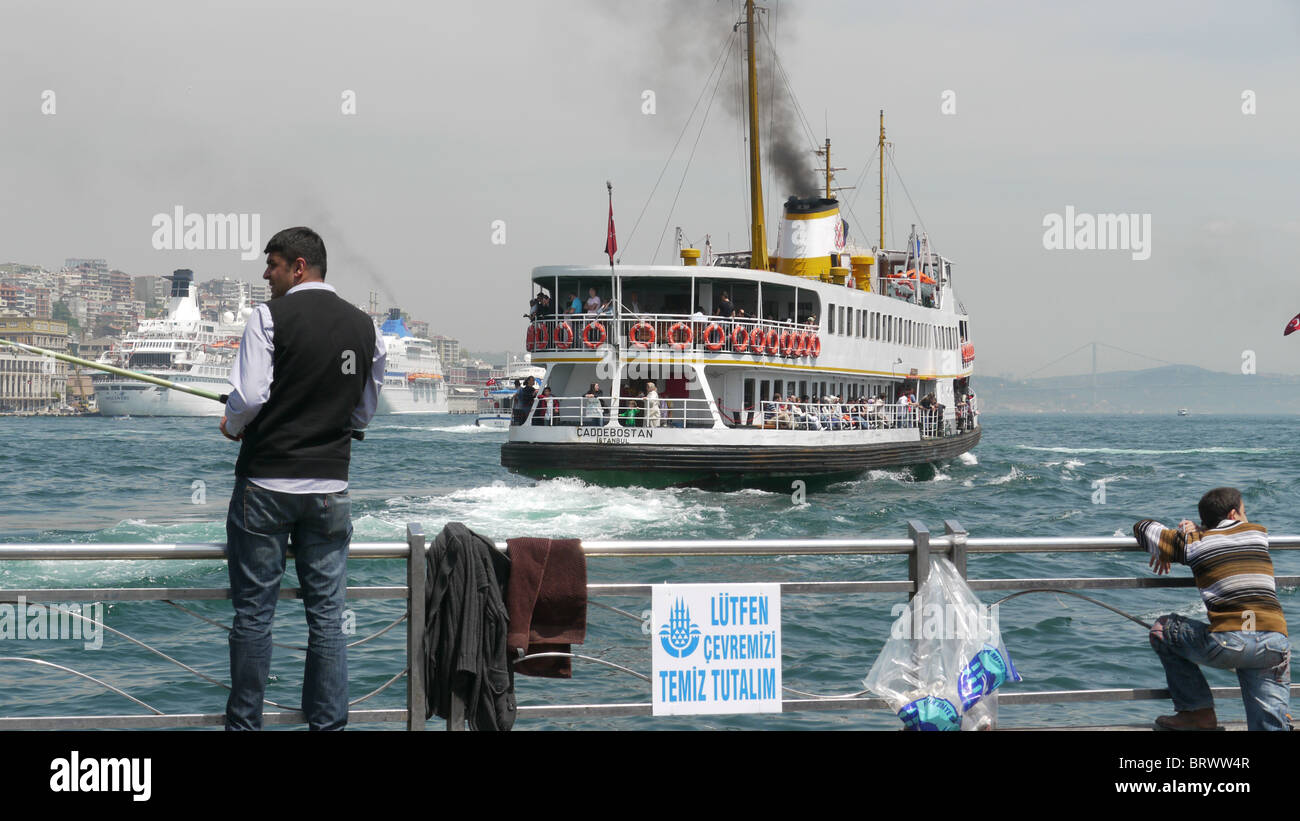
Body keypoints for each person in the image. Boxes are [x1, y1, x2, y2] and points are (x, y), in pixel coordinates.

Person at [218, 226, 385, 731]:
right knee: (327, 622)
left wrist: (232, 424)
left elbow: (248, 396)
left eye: (271, 265)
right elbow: (363, 412)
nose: (265, 276)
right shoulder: (365, 327)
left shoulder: (269, 317)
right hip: (330, 493)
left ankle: (245, 725)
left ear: (298, 267)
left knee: (253, 617)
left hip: (265, 488)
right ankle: (328, 726)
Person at [1133, 487, 1290, 731]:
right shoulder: (1258, 534)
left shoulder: (1193, 543)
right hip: (1274, 642)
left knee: (1162, 629)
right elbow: (1228, 534)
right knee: (1269, 726)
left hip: (1231, 640)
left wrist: (1169, 544)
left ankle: (1197, 714)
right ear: (1234, 514)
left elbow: (1143, 527)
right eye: (1244, 511)